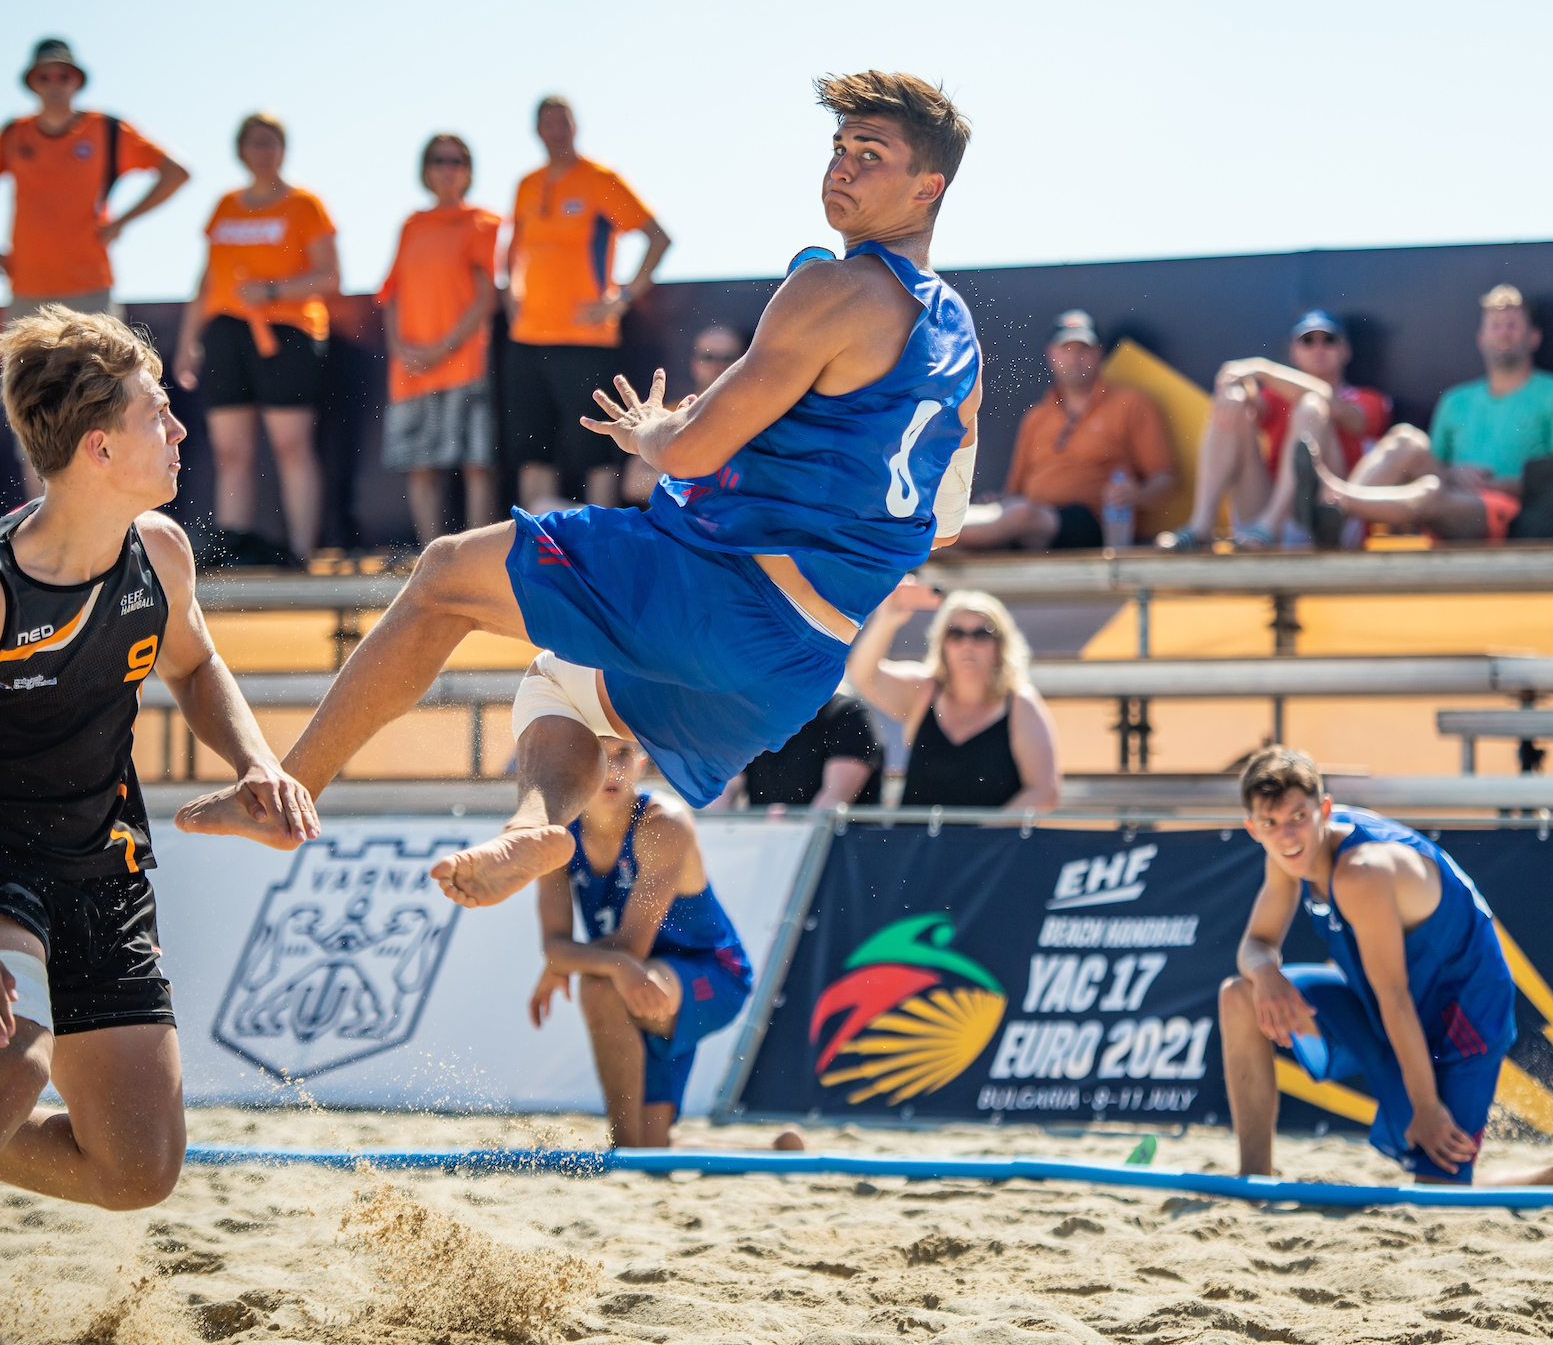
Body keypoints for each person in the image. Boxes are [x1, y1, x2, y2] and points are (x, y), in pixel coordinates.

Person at [181, 72, 981, 908]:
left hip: (725, 595)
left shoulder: (834, 286)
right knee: (560, 686)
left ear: (929, 187)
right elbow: (946, 521)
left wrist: (652, 431)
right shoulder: (959, 335)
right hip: (800, 669)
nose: (841, 168)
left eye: (869, 155)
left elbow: (693, 452)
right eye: (838, 149)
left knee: (445, 574)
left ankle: (280, 794)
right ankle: (533, 827)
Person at [0, 306, 316, 1345]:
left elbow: (195, 665)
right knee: (11, 1064)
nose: (181, 432)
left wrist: (258, 762)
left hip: (103, 861)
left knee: (139, 1172)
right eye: (162, 414)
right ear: (100, 446)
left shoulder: (162, 550)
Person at [1218, 747, 1553, 1186]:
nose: (1287, 835)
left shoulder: (1360, 872)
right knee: (1239, 995)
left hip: (1462, 1012)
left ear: (1324, 809)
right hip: (1386, 1007)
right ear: (1253, 829)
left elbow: (1395, 995)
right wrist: (1265, 974)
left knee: (1440, 1187)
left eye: (1298, 816)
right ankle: (1252, 1183)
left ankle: (1546, 1178)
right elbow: (1255, 945)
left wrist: (1426, 1107)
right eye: (1270, 824)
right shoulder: (1287, 849)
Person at [0, 38, 190, 500]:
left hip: (91, 291)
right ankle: (39, 521)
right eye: (45, 75)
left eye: (63, 75)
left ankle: (110, 519)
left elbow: (175, 172)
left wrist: (121, 221)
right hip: (28, 295)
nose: (54, 84)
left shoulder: (105, 130)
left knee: (111, 405)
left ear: (76, 80)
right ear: (32, 82)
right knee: (31, 412)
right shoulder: (13, 135)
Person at [525, 728, 751, 1147]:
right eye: (599, 754)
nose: (613, 769)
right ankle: (771, 1151)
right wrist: (570, 960)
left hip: (712, 973)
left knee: (599, 988)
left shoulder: (662, 823)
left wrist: (574, 962)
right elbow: (555, 946)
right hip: (645, 974)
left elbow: (622, 950)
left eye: (623, 754)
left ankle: (621, 1154)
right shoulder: (557, 831)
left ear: (643, 762)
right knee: (655, 1142)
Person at [171, 114, 341, 565]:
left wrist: (271, 291)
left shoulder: (305, 204)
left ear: (283, 149)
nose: (263, 152)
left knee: (291, 444)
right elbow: (207, 280)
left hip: (287, 332)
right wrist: (189, 341)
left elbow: (330, 276)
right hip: (226, 334)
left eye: (271, 143)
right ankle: (233, 546)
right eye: (254, 143)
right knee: (231, 450)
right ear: (240, 150)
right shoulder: (225, 205)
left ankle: (302, 550)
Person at [1310, 285, 1553, 542]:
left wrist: (1506, 485)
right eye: (1496, 326)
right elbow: (1435, 464)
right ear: (1481, 338)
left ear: (1534, 337)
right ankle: (1336, 522)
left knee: (1430, 495)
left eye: (1513, 325)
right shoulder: (1456, 400)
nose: (1504, 332)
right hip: (1452, 498)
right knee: (1406, 441)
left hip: (1514, 512)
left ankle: (1333, 500)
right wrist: (1455, 474)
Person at [504, 96, 672, 512]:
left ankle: (600, 541)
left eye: (564, 122)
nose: (557, 131)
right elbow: (514, 255)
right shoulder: (527, 184)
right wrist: (513, 307)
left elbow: (658, 237)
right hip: (527, 338)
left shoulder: (599, 180)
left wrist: (623, 298)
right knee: (532, 448)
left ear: (575, 127)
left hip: (585, 336)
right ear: (537, 131)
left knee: (595, 444)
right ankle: (530, 539)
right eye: (548, 124)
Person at [1161, 309, 1393, 552]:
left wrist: (1262, 369)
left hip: (1332, 520)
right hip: (1263, 519)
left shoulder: (1368, 398)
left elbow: (1346, 414)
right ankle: (1200, 527)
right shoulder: (1274, 396)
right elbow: (1250, 410)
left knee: (1312, 406)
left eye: (1329, 340)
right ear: (1294, 352)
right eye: (1308, 341)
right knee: (1234, 403)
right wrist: (1236, 391)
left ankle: (1270, 524)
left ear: (1346, 350)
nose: (1319, 348)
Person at [951, 309, 1174, 551]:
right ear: (1051, 354)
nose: (1075, 357)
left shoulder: (1130, 403)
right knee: (987, 525)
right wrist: (1001, 501)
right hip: (1029, 523)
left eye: (1083, 348)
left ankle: (927, 534)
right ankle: (931, 538)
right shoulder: (1036, 416)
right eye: (1066, 348)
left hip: (1092, 523)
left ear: (1099, 352)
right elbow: (1014, 491)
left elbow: (1165, 478)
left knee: (1022, 515)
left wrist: (1135, 494)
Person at [379, 134, 501, 546]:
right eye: (439, 160)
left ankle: (474, 557)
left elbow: (487, 296)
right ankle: (429, 557)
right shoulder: (412, 225)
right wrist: (399, 347)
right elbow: (391, 293)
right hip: (411, 368)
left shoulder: (484, 222)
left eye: (457, 160)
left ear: (468, 170)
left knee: (476, 464)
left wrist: (443, 347)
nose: (448, 168)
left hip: (465, 363)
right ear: (425, 169)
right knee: (421, 466)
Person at [847, 581, 1060, 809]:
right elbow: (863, 675)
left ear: (1001, 645)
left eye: (981, 634)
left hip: (988, 843)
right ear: (942, 644)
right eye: (956, 633)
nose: (967, 643)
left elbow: (1044, 792)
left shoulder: (1020, 703)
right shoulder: (924, 692)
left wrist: (979, 837)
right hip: (914, 843)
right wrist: (886, 621)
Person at [621, 323, 747, 506]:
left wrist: (682, 476)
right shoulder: (670, 412)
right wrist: (713, 481)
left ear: (743, 363)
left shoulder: (758, 415)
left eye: (728, 357)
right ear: (694, 364)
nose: (717, 365)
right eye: (708, 357)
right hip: (675, 525)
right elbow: (634, 483)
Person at [717, 688, 884, 810]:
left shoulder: (850, 715)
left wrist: (787, 831)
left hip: (836, 852)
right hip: (767, 845)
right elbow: (726, 788)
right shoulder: (757, 720)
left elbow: (834, 800)